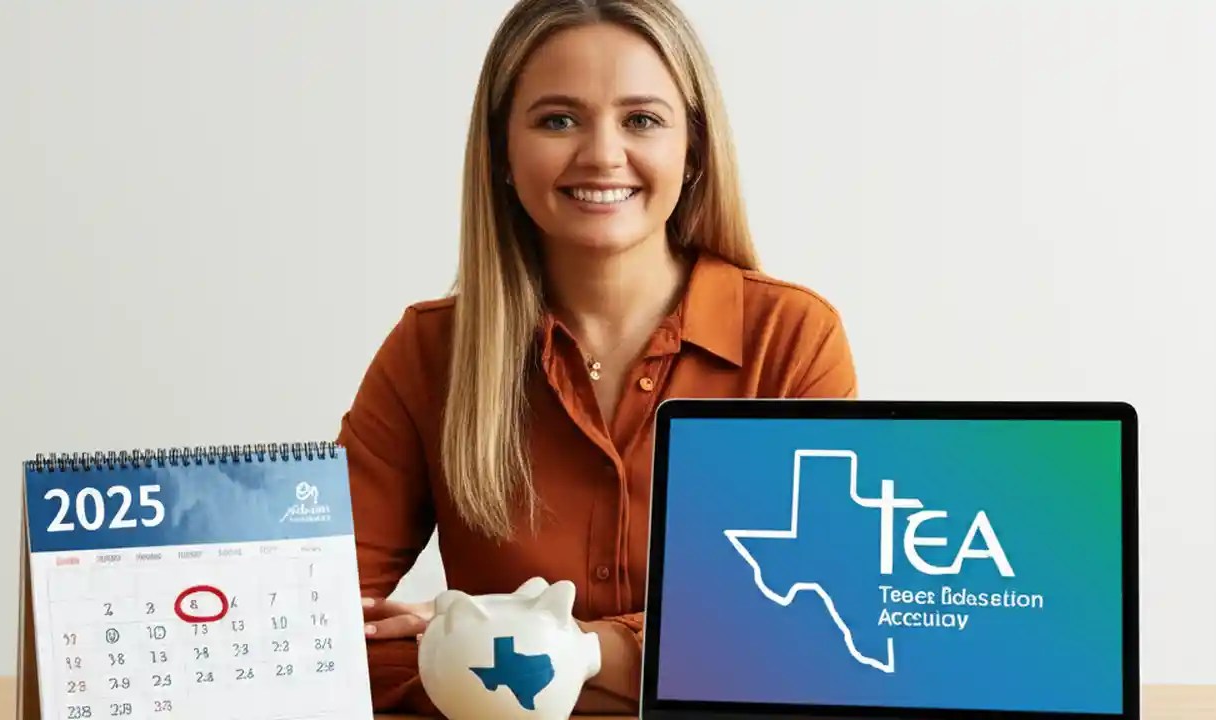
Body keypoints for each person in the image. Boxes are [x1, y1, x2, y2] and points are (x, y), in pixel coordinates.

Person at [336, 0, 857, 714]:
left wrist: (524, 655)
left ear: (693, 148)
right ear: (502, 152)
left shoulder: (790, 341)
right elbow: (312, 629)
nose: (603, 155)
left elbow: (804, 636)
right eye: (558, 120)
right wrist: (452, 659)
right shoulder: (429, 353)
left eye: (641, 119)